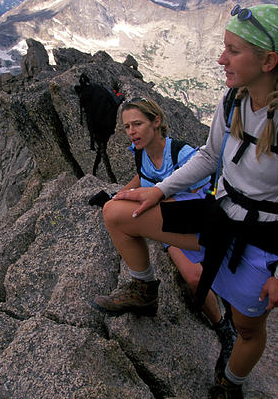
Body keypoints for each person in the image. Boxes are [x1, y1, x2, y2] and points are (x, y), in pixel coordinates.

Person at [94, 4, 278, 399]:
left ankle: (229, 383)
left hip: (261, 242)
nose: (221, 59)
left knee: (247, 329)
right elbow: (211, 155)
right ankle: (144, 289)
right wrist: (160, 191)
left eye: (232, 51)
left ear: (268, 60)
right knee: (118, 214)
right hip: (218, 217)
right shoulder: (233, 99)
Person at [88, 97, 237, 362]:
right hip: (169, 225)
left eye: (137, 124)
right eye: (126, 127)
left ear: (156, 122)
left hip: (198, 221)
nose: (131, 131)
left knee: (199, 277)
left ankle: (224, 324)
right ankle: (216, 323)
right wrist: (117, 195)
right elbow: (143, 177)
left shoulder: (182, 154)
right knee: (193, 278)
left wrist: (162, 194)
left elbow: (201, 187)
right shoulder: (141, 154)